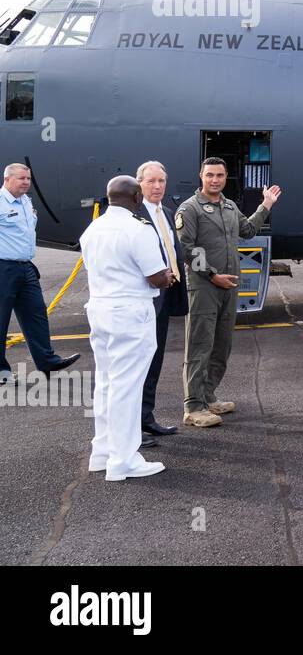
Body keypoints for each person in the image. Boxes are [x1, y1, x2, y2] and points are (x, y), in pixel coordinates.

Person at [80, 176, 175, 481]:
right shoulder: (138, 229)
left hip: (100, 309)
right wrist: (169, 275)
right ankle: (124, 459)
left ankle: (103, 452)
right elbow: (157, 277)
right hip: (130, 313)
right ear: (136, 198)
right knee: (128, 388)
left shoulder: (92, 229)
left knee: (107, 383)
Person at [174, 157, 281, 428]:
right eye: (210, 175)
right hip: (204, 286)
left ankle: (208, 396)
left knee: (222, 345)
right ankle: (193, 406)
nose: (215, 180)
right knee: (199, 345)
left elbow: (247, 231)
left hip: (228, 286)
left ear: (225, 177)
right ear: (201, 176)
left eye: (220, 175)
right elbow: (186, 249)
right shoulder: (190, 209)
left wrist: (266, 204)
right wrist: (212, 275)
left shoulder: (230, 206)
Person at [0, 162, 80, 385]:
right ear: (7, 180)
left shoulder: (26, 202)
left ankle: (47, 360)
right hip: (3, 267)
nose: (26, 182)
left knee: (36, 314)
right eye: (21, 178)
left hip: (25, 266)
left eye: (28, 178)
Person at [133, 161, 188, 440]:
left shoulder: (165, 211)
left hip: (163, 297)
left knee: (154, 360)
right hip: (143, 299)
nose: (157, 187)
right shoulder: (133, 214)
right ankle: (130, 426)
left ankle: (146, 417)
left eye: (161, 181)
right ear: (139, 183)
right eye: (151, 181)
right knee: (137, 363)